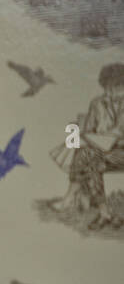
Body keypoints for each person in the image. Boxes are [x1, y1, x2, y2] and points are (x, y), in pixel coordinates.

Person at [50, 63, 124, 229]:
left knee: (87, 156)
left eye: (116, 88)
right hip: (102, 153)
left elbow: (119, 133)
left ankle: (70, 198)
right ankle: (104, 213)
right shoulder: (97, 103)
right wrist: (86, 137)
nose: (110, 93)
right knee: (88, 156)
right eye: (107, 88)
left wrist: (111, 139)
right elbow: (88, 130)